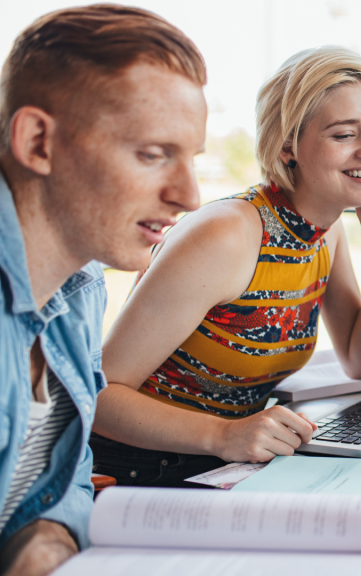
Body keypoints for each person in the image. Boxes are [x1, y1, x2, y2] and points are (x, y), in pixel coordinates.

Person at [92, 46, 361, 487]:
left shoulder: (327, 229)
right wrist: (224, 434)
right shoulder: (225, 234)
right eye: (344, 135)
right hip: (141, 470)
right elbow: (98, 395)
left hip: (225, 464)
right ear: (288, 148)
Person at [0, 5, 207, 574]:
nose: (189, 196)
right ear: (38, 142)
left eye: (191, 158)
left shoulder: (81, 283)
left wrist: (45, 540)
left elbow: (62, 479)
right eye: (153, 154)